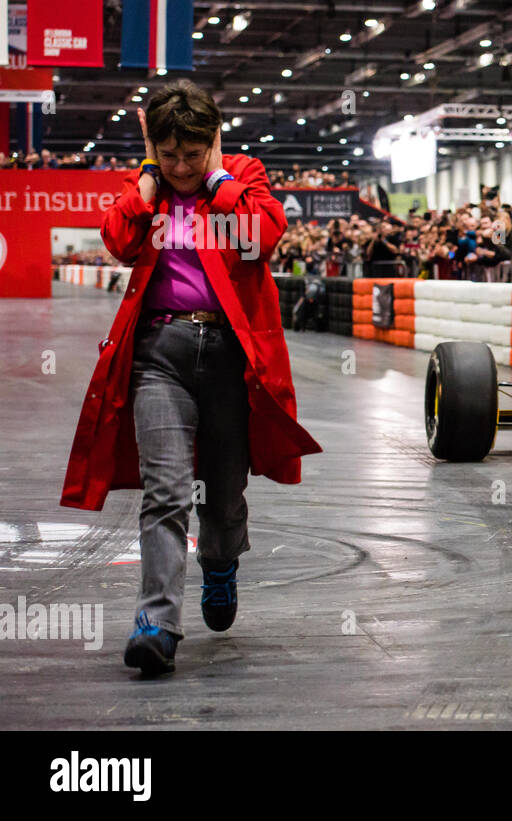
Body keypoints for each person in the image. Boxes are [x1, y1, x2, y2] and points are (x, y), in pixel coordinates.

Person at [61, 79, 321, 676]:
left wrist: (219, 180)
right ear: (154, 146)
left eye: (192, 154)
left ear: (214, 141)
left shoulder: (243, 175)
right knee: (167, 493)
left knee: (223, 499)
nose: (180, 166)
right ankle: (156, 623)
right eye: (168, 153)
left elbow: (263, 238)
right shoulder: (148, 184)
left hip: (233, 359)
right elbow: (119, 241)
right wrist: (148, 182)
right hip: (159, 354)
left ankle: (223, 564)